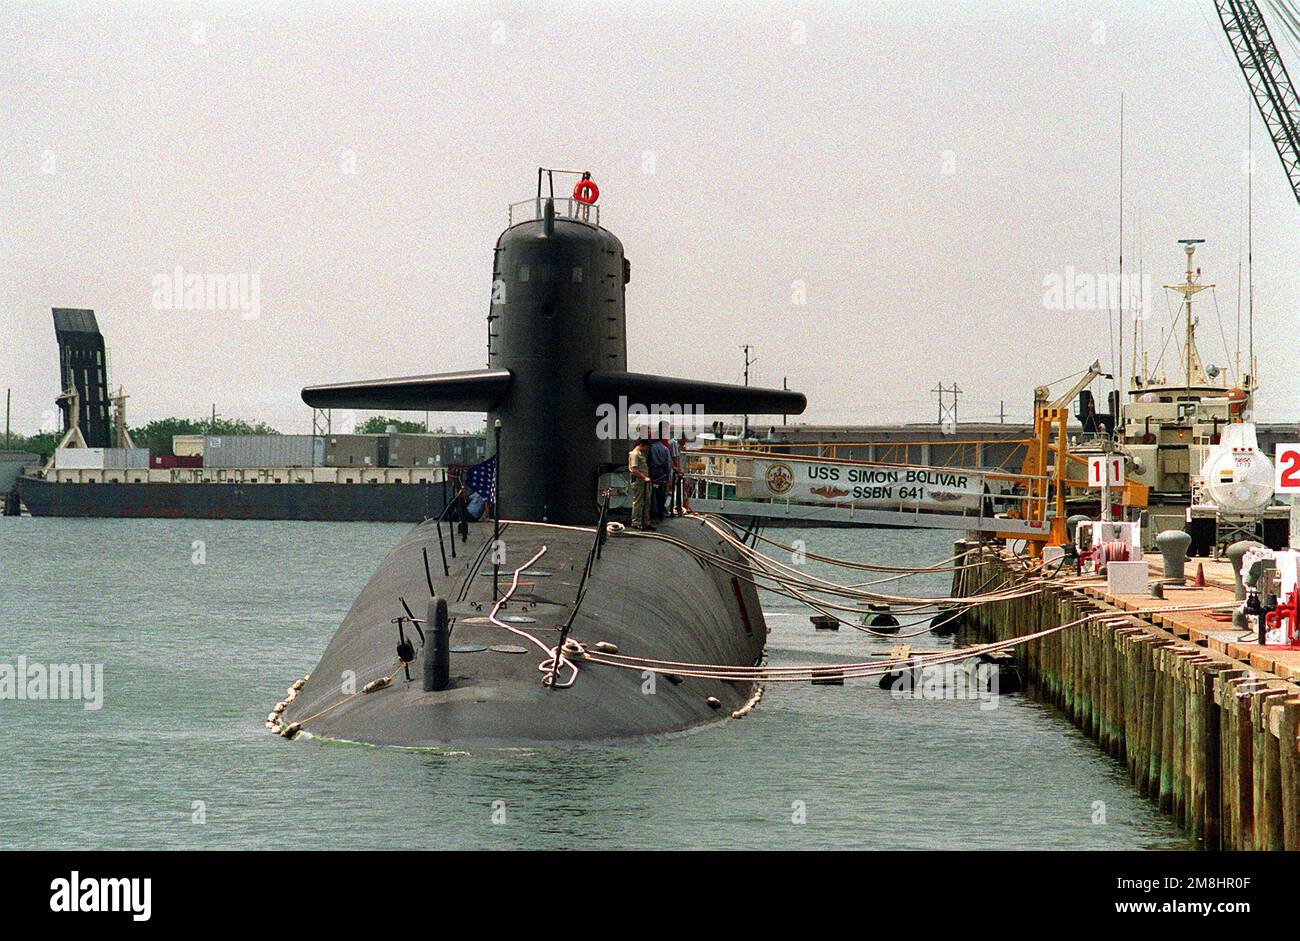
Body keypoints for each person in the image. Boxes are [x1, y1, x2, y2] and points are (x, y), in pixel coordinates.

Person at [627, 438, 652, 530]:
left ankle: (645, 522)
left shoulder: (641, 454)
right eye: (646, 447)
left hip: (644, 482)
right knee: (638, 502)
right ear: (641, 445)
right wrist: (644, 477)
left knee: (646, 501)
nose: (647, 449)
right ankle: (635, 521)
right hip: (639, 481)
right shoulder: (635, 454)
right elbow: (634, 470)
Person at [648, 434, 671, 521]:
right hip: (662, 474)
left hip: (653, 473)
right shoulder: (665, 449)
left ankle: (653, 512)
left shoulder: (651, 448)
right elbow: (669, 464)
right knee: (660, 494)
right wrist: (667, 474)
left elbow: (649, 461)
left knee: (652, 493)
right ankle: (660, 513)